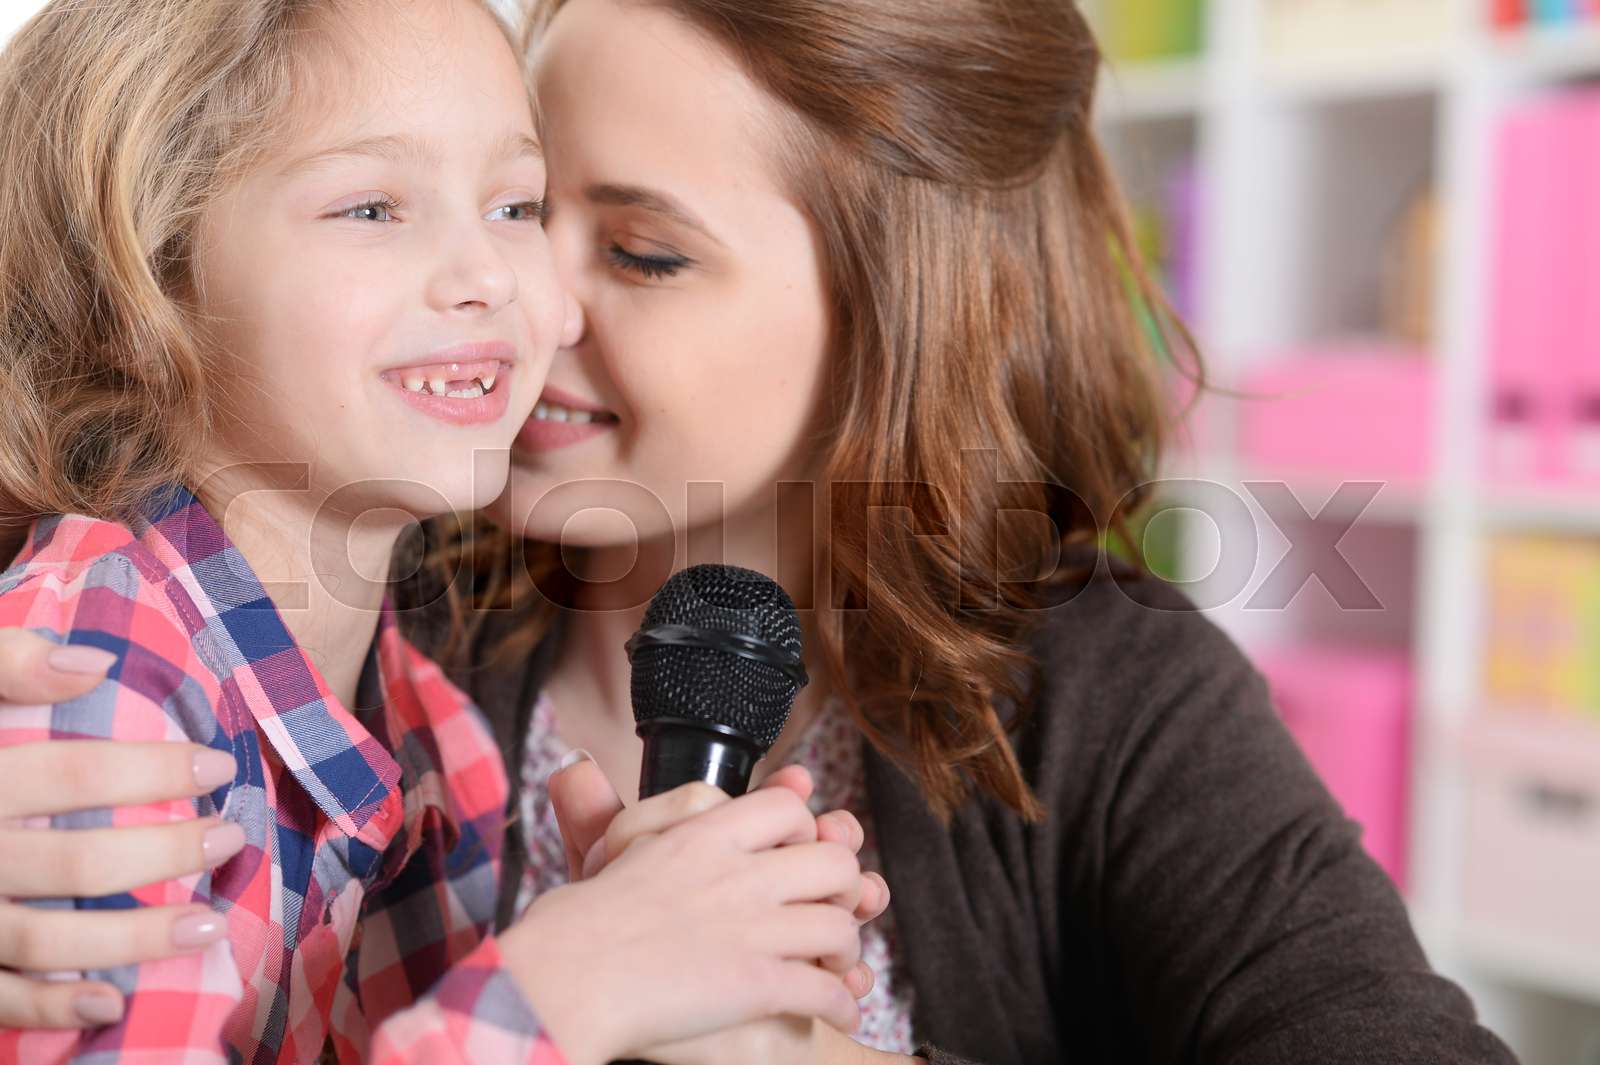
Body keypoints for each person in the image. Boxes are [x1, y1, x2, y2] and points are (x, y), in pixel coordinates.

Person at [1, 0, 1520, 1062]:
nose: (531, 299)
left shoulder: (1109, 696)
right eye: (532, 206)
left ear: (890, 313)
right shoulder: (370, 589)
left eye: (641, 250)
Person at [0, 0, 879, 1061]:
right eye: (372, 208)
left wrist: (671, 977)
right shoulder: (95, 679)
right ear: (147, 267)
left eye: (516, 206)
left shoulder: (440, 741)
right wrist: (565, 992)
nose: (491, 277)